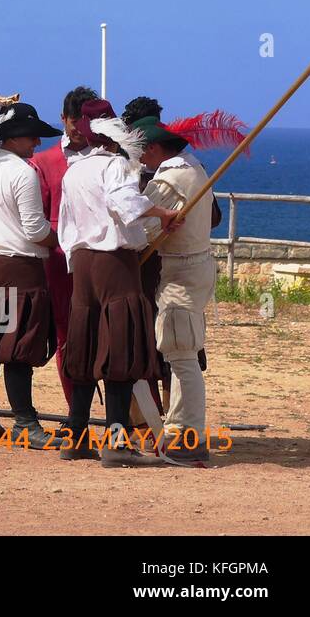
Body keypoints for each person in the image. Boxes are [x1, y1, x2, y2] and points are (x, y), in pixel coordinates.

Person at [57, 100, 180, 466]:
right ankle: (116, 438)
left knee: (86, 347)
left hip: (81, 264)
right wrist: (164, 213)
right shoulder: (115, 166)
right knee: (120, 349)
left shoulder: (74, 171)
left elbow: (66, 227)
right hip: (113, 261)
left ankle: (77, 435)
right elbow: (124, 202)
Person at [0, 103, 62, 450]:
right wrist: (61, 239)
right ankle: (24, 421)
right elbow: (35, 229)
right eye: (32, 135)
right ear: (14, 136)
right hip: (20, 265)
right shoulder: (22, 173)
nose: (36, 141)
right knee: (20, 343)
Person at [132, 116, 216, 465]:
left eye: (142, 154)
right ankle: (182, 430)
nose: (141, 162)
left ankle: (187, 433)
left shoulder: (169, 179)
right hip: (196, 265)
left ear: (153, 148)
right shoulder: (194, 166)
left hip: (180, 270)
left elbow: (140, 230)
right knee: (185, 351)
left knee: (181, 354)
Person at [30, 85, 98, 408]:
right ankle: (76, 412)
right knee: (66, 337)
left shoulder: (105, 158)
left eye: (86, 123)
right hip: (58, 262)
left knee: (103, 334)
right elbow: (38, 216)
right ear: (63, 120)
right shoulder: (43, 162)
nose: (80, 131)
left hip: (99, 259)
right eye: (75, 123)